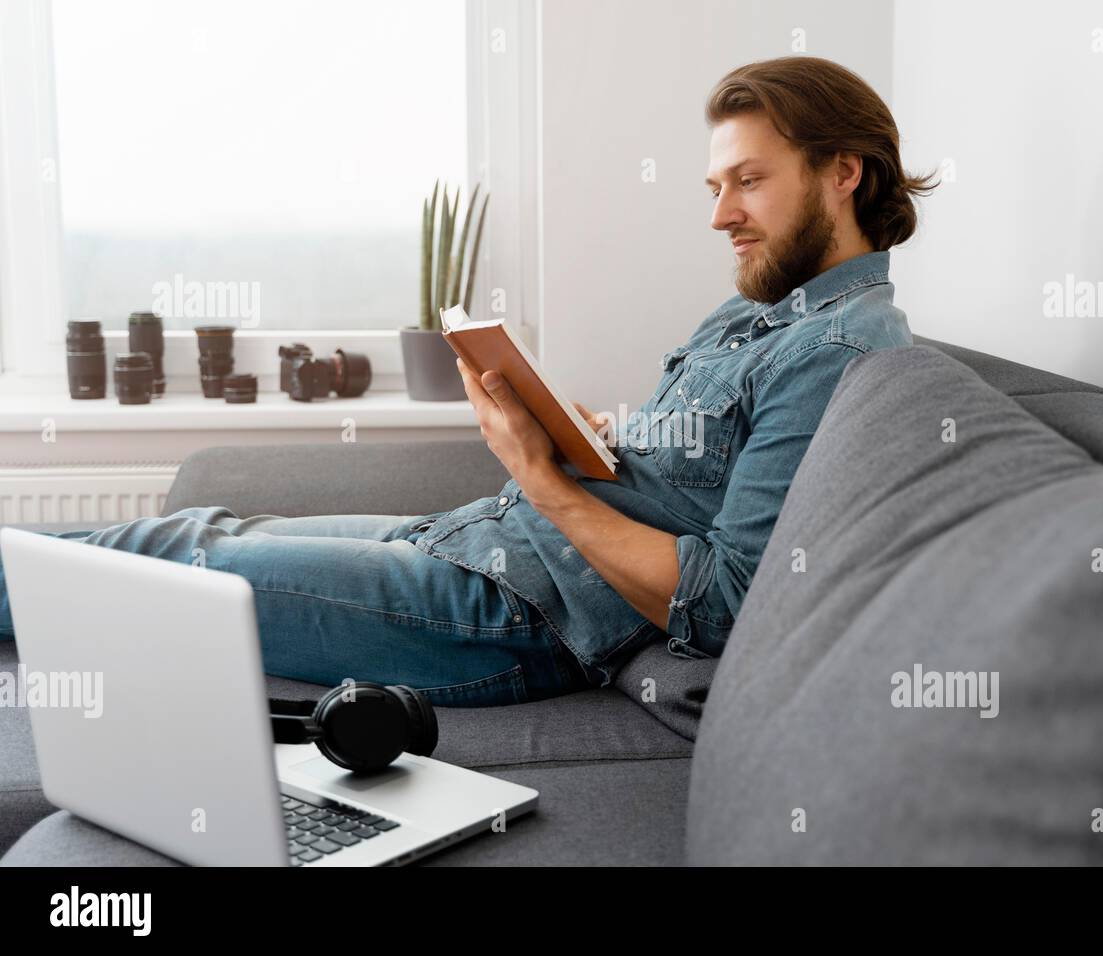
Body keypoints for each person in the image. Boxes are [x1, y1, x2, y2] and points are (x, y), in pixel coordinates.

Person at [0, 56, 934, 707]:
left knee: (182, 560)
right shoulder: (763, 310)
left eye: (748, 182)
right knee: (204, 529)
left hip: (512, 615)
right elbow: (694, 479)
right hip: (481, 542)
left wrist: (538, 472)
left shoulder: (842, 354)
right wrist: (594, 435)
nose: (721, 214)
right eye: (712, 186)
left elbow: (722, 603)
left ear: (843, 173)